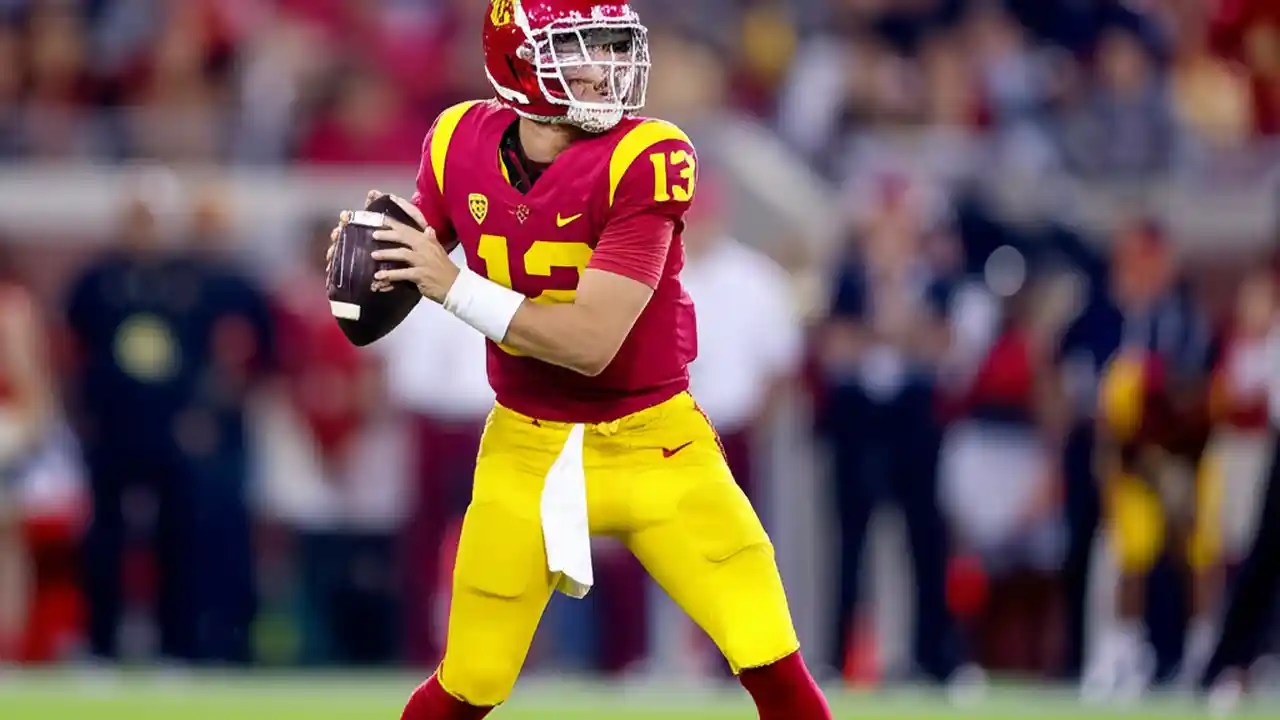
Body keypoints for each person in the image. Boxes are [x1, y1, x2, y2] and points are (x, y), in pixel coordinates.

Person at [327, 2, 831, 718]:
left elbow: (592, 345)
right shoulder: (455, 141)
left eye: (612, 47)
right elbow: (400, 274)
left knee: (771, 662)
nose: (606, 69)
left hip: (653, 440)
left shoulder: (648, 155)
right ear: (517, 59)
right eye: (580, 49)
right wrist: (368, 274)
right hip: (526, 446)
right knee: (468, 684)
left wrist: (453, 286)